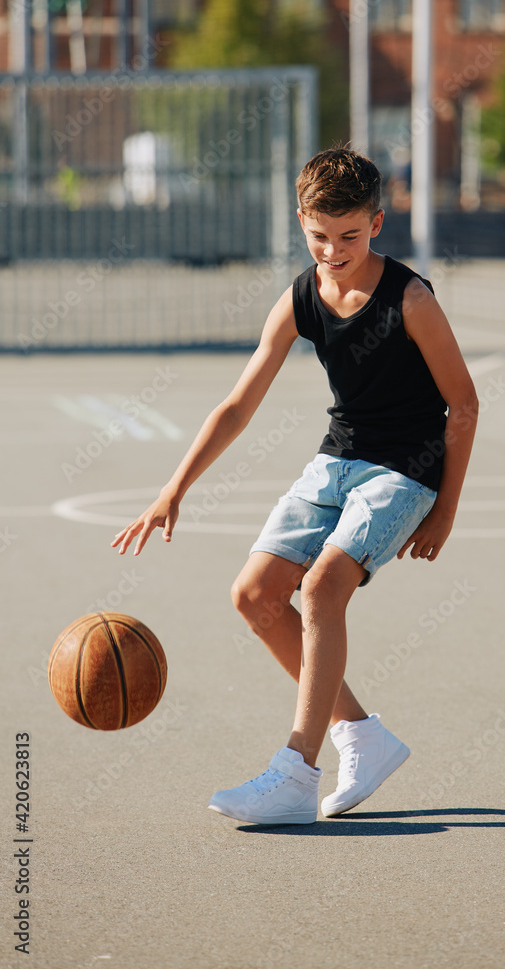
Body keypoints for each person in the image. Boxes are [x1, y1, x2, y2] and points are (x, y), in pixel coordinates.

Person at [112, 148, 479, 825]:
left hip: (405, 465)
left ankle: (295, 772)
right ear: (301, 223)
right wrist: (174, 487)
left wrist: (444, 510)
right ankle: (361, 736)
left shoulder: (411, 300)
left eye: (348, 236)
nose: (332, 251)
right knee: (253, 595)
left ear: (376, 223)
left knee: (321, 588)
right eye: (318, 236)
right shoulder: (301, 296)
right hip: (340, 456)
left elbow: (463, 404)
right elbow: (236, 405)